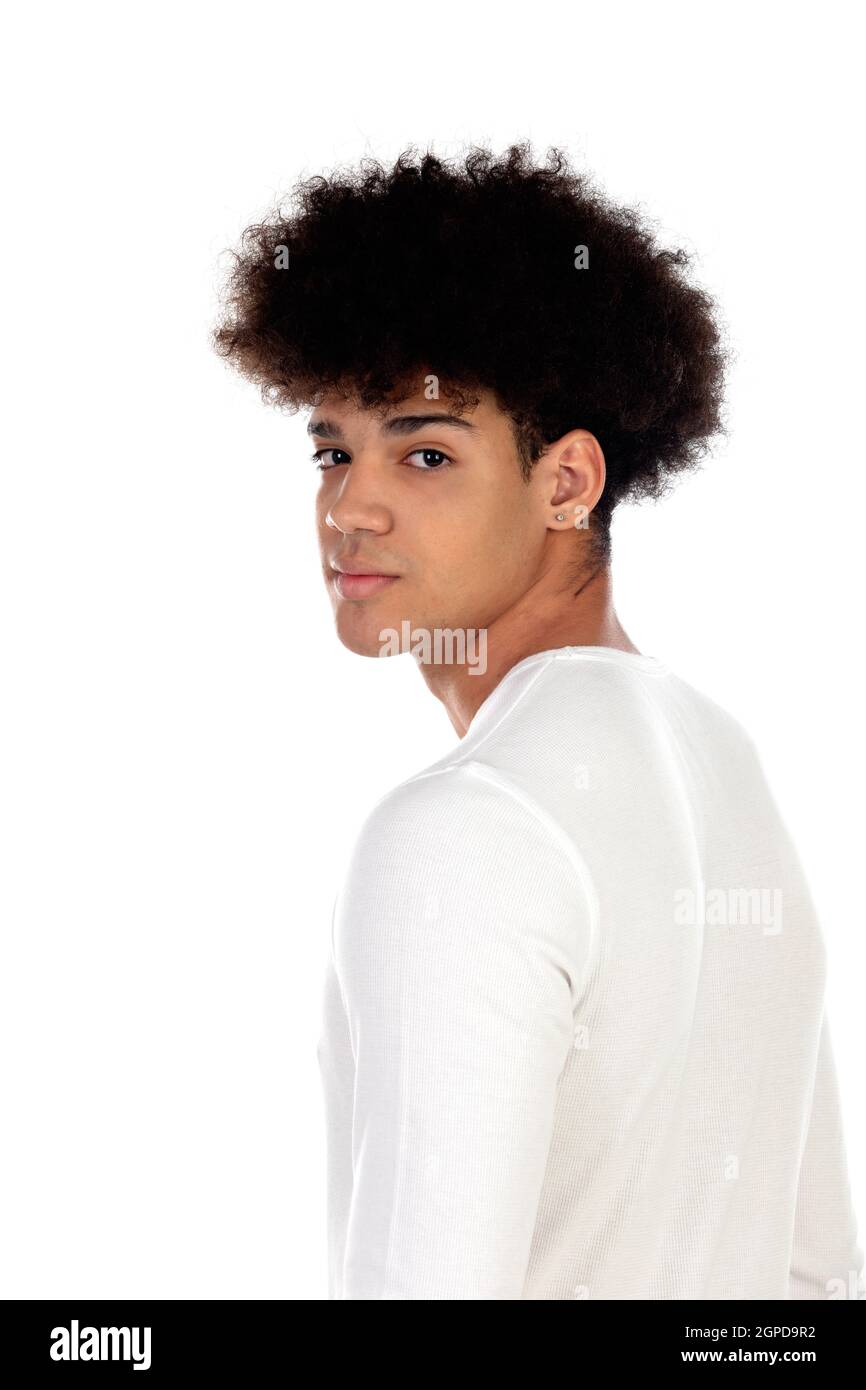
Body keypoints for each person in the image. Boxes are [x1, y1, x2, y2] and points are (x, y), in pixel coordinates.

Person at [213, 143, 863, 1300]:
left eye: (423, 451)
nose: (347, 507)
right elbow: (810, 1282)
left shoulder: (462, 831)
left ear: (566, 482)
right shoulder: (730, 766)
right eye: (332, 450)